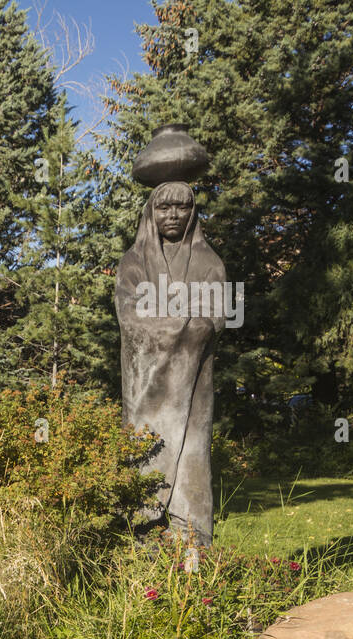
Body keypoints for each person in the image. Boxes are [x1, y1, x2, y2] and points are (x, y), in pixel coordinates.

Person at [116, 180, 227, 545]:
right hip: (145, 384)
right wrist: (184, 321)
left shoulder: (209, 262)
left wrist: (179, 321)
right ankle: (142, 532)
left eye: (182, 207)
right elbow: (130, 315)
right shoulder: (133, 262)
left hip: (195, 381)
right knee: (145, 449)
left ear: (193, 213)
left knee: (193, 452)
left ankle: (191, 536)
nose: (173, 215)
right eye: (164, 207)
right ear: (151, 212)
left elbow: (217, 316)